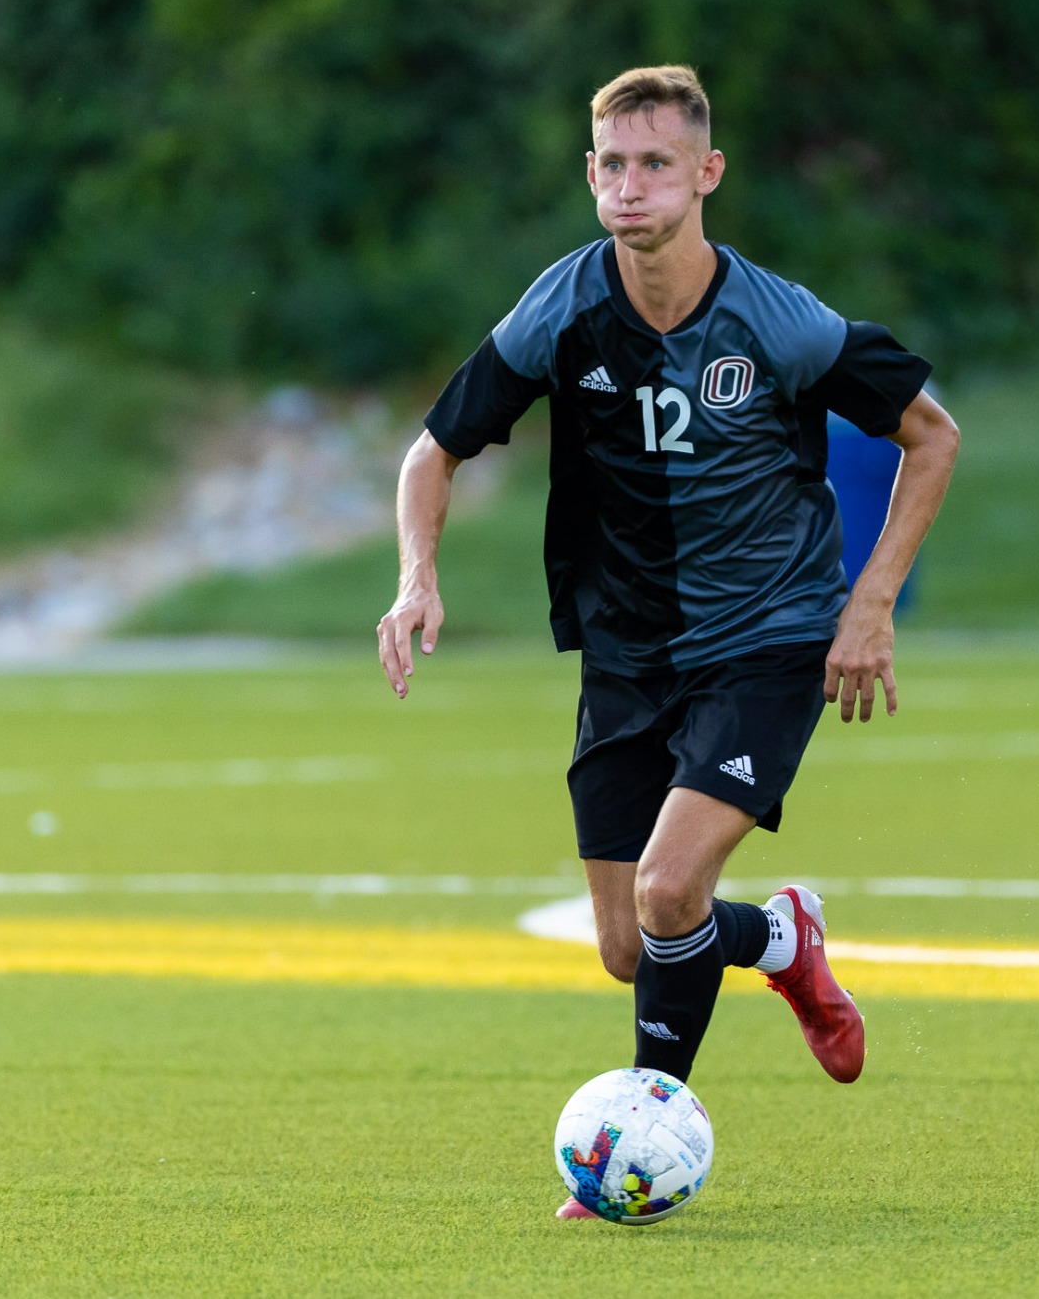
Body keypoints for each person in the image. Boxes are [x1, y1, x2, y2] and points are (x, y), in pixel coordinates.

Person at [374, 66, 959, 1218]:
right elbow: (431, 450)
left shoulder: (774, 318)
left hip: (767, 638)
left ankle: (628, 1156)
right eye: (612, 164)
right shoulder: (562, 307)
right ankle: (780, 935)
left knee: (666, 883)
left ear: (705, 174)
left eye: (655, 163)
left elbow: (929, 436)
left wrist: (870, 602)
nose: (631, 184)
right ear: (588, 175)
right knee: (629, 944)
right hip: (624, 651)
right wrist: (414, 575)